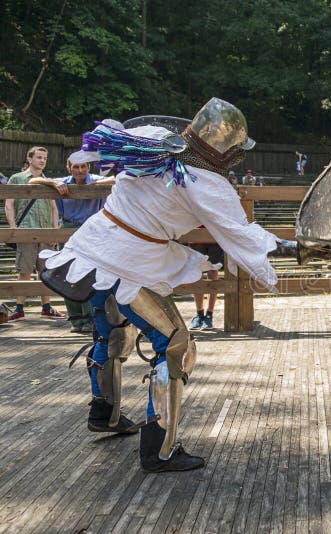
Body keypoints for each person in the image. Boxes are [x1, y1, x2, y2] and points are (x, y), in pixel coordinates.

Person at [38, 98, 290, 472]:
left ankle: (104, 413)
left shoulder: (152, 140)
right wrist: (292, 248)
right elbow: (240, 235)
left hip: (90, 249)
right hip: (129, 266)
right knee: (176, 345)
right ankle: (160, 448)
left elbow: (98, 145)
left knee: (113, 335)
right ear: (227, 152)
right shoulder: (205, 184)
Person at [29, 150, 115, 332]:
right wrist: (53, 182)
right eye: (76, 167)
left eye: (83, 166)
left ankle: (92, 318)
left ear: (88, 167)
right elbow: (32, 181)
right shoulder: (63, 182)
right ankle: (76, 319)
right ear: (69, 168)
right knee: (66, 272)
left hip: (92, 228)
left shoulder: (95, 180)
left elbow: (116, 179)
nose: (80, 170)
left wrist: (94, 185)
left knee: (90, 274)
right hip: (68, 228)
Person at [3, 146, 66, 321]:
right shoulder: (17, 178)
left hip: (46, 231)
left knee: (45, 270)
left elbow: (54, 208)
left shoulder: (49, 181)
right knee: (24, 269)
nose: (42, 160)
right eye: (39, 157)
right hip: (27, 230)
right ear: (29, 159)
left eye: (45, 158)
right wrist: (14, 227)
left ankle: (46, 307)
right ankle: (19, 308)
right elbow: (9, 204)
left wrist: (55, 231)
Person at [188, 226, 223, 330]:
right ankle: (199, 314)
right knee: (197, 273)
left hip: (214, 235)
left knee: (213, 272)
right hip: (196, 235)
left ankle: (209, 314)